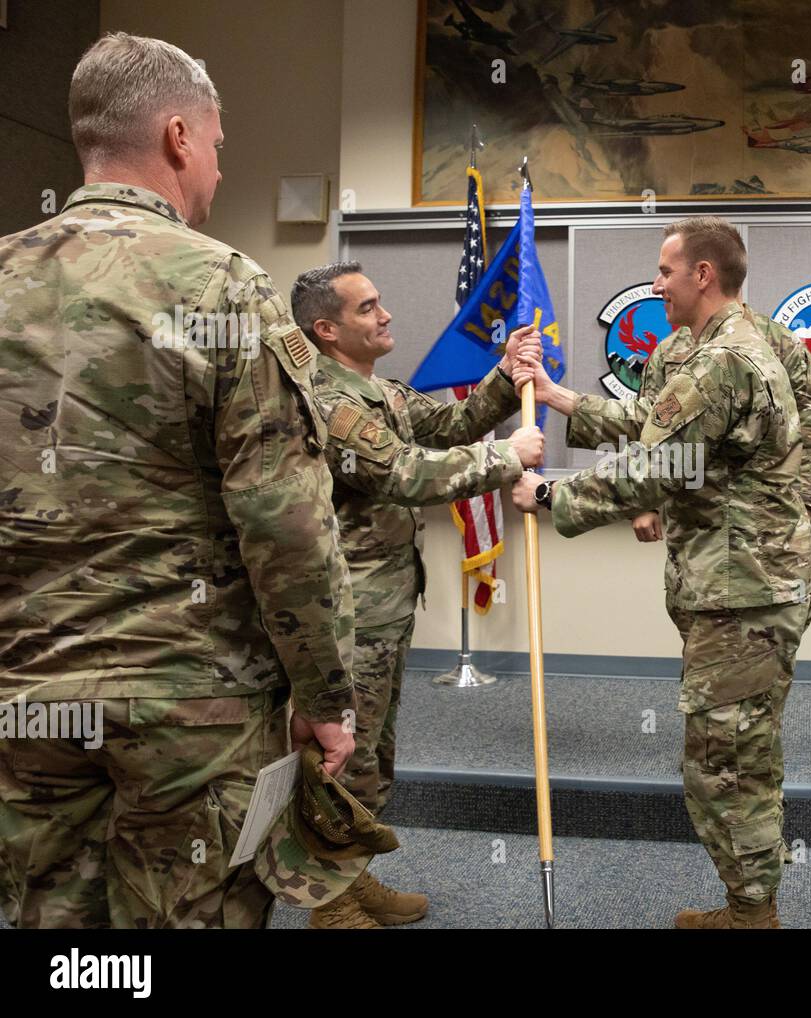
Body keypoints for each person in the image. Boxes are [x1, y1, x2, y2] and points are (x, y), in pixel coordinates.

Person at [0, 33, 355, 929]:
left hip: (27, 697)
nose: (220, 172)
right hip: (189, 707)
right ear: (178, 137)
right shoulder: (222, 285)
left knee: (60, 937)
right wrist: (325, 697)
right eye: (219, 144)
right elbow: (286, 523)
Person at [511, 216, 811, 929]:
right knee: (741, 753)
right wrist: (559, 399)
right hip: (739, 588)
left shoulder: (720, 362)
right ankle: (751, 903)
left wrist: (552, 493)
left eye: (665, 273)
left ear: (702, 275)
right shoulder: (730, 348)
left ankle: (752, 913)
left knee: (725, 765)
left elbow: (655, 464)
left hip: (739, 595)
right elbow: (657, 420)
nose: (656, 286)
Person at [289, 262, 543, 928]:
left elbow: (450, 425)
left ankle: (352, 876)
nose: (386, 315)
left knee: (373, 754)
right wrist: (507, 456)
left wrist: (504, 371)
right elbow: (403, 473)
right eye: (368, 307)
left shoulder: (381, 392)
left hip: (386, 604)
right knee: (340, 756)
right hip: (346, 615)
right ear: (327, 328)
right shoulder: (328, 399)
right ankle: (329, 902)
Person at [629, 304, 811, 543]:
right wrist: (643, 504)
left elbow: (810, 424)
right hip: (693, 514)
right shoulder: (671, 349)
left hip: (766, 512)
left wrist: (807, 502)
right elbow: (649, 424)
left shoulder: (780, 342)